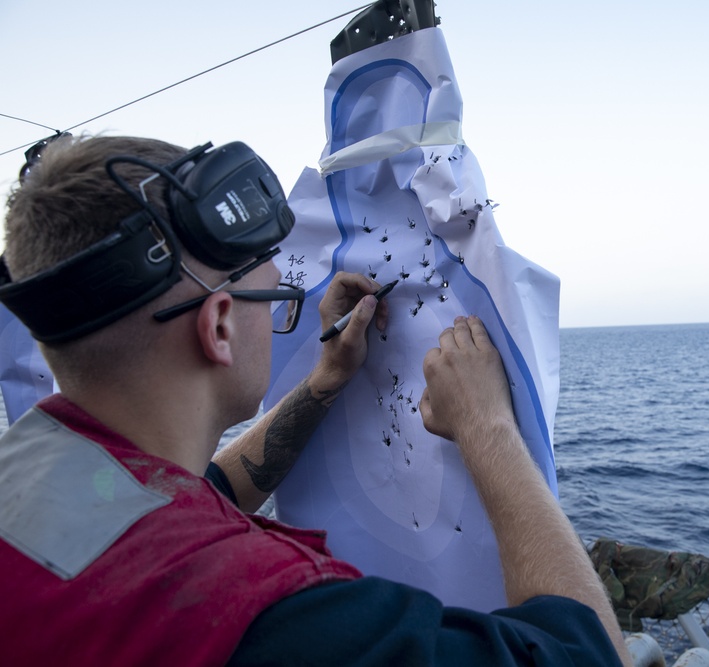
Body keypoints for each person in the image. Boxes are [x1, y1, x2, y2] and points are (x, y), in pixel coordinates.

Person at [0, 134, 631, 666]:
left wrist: (325, 381)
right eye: (269, 294)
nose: (284, 294)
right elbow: (591, 654)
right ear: (219, 327)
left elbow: (203, 492)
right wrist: (489, 427)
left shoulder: (35, 477)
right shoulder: (271, 611)